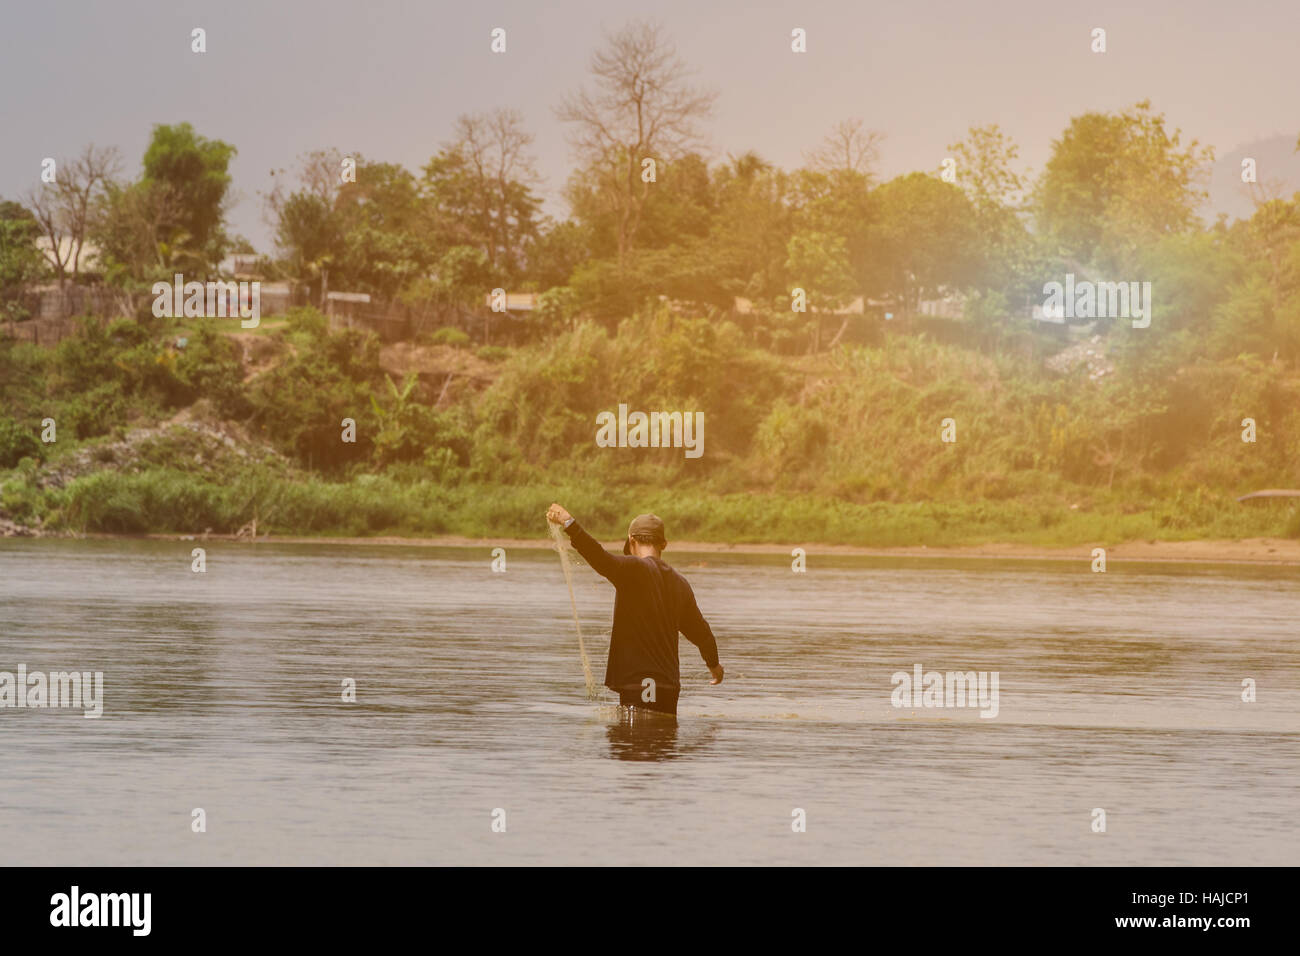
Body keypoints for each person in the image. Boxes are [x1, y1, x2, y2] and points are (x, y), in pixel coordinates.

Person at [546, 504, 723, 717]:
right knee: (663, 744)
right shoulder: (680, 584)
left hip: (638, 685)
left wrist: (569, 523)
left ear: (631, 541)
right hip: (668, 687)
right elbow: (701, 634)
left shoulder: (632, 569)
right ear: (664, 544)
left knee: (634, 742)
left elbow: (599, 557)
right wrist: (714, 666)